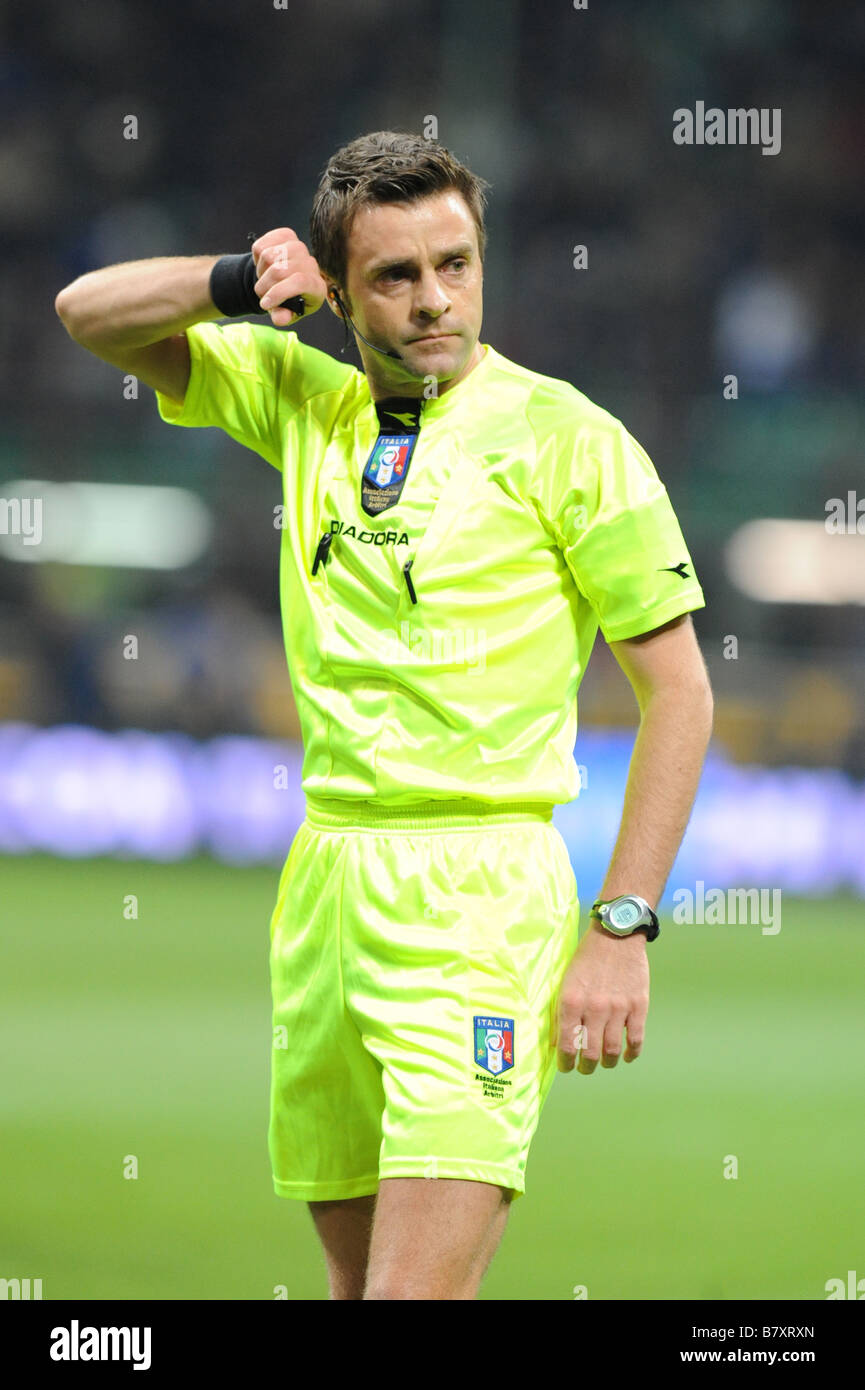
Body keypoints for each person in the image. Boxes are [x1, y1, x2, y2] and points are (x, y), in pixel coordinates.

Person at [54, 130, 714, 1301]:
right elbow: (88, 312)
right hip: (326, 887)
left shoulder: (570, 440)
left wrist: (619, 926)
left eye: (454, 264)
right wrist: (234, 283)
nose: (433, 301)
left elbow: (679, 691)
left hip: (480, 892)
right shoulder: (303, 398)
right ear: (336, 285)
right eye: (396, 276)